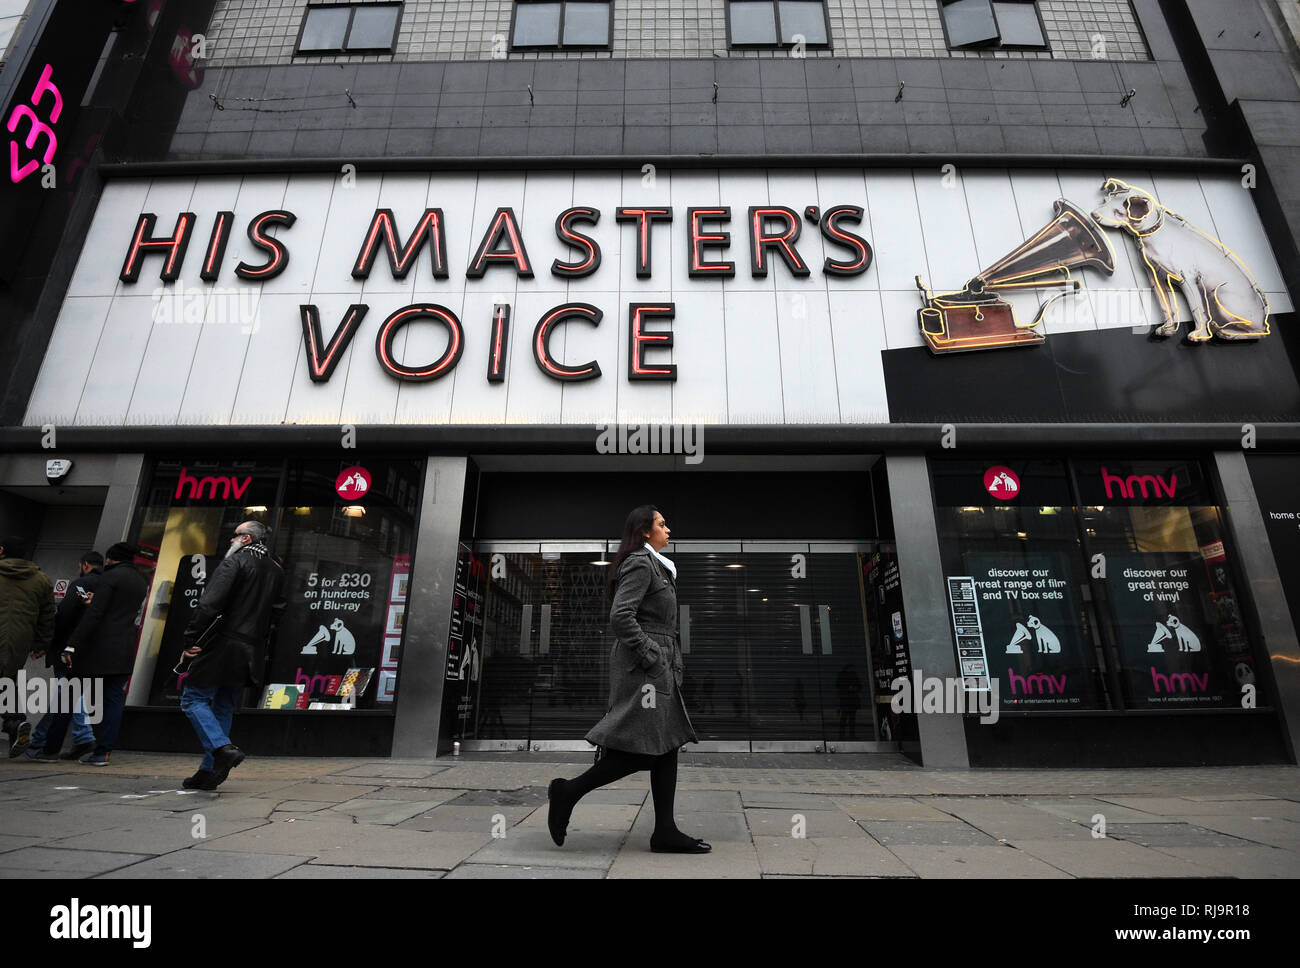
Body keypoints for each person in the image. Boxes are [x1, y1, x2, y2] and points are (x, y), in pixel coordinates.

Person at [547, 506, 710, 854]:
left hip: (656, 664)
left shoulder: (660, 568)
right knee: (648, 748)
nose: (669, 529)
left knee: (666, 744)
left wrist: (668, 659)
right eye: (662, 524)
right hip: (644, 668)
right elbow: (621, 617)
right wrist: (652, 655)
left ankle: (665, 830)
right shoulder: (640, 563)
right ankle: (568, 792)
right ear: (644, 531)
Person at [179, 520, 285, 791]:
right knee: (224, 704)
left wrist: (191, 638)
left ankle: (221, 749)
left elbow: (209, 604)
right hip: (251, 649)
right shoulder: (275, 570)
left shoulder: (234, 562)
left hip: (222, 643)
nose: (230, 541)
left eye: (235, 536)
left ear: (246, 539)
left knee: (193, 699)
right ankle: (208, 772)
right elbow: (277, 613)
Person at [45, 543, 147, 766]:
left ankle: (50, 749)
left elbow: (95, 615)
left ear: (111, 559)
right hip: (124, 648)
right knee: (112, 700)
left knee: (69, 695)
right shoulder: (140, 581)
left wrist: (72, 645)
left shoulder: (109, 578)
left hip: (96, 648)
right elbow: (123, 611)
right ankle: (103, 752)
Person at [25, 552, 103, 762]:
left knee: (67, 692)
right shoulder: (108, 585)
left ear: (84, 565)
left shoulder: (81, 584)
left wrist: (49, 643)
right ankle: (40, 740)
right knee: (68, 693)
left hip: (70, 647)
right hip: (95, 649)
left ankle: (81, 735)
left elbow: (65, 613)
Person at [0, 535, 55, 757]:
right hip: (19, 642)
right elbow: (48, 616)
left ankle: (14, 723)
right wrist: (41, 643)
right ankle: (15, 723)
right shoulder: (41, 579)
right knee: (6, 681)